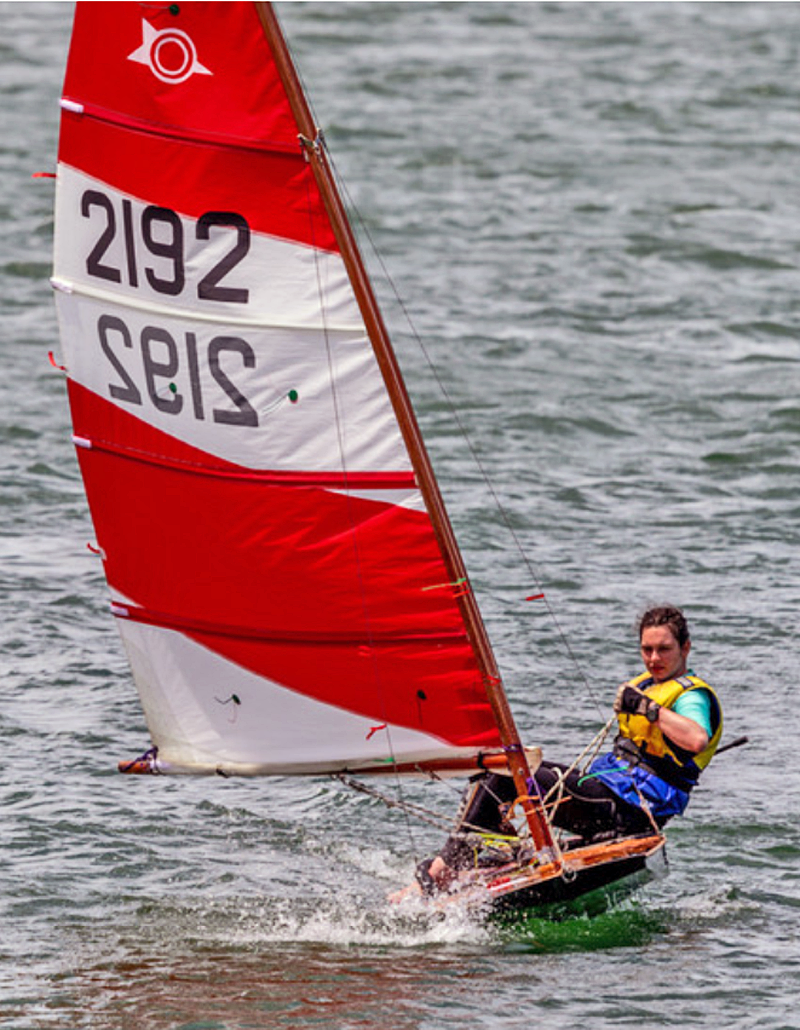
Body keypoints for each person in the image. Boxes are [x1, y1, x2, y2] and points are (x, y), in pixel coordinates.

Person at [416, 605, 723, 895]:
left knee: (507, 776)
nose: (654, 658)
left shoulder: (691, 697)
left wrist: (649, 710)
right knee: (502, 767)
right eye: (647, 649)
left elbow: (697, 739)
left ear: (685, 648)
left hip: (628, 813)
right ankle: (498, 851)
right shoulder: (647, 685)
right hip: (608, 794)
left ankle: (442, 870)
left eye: (664, 649)